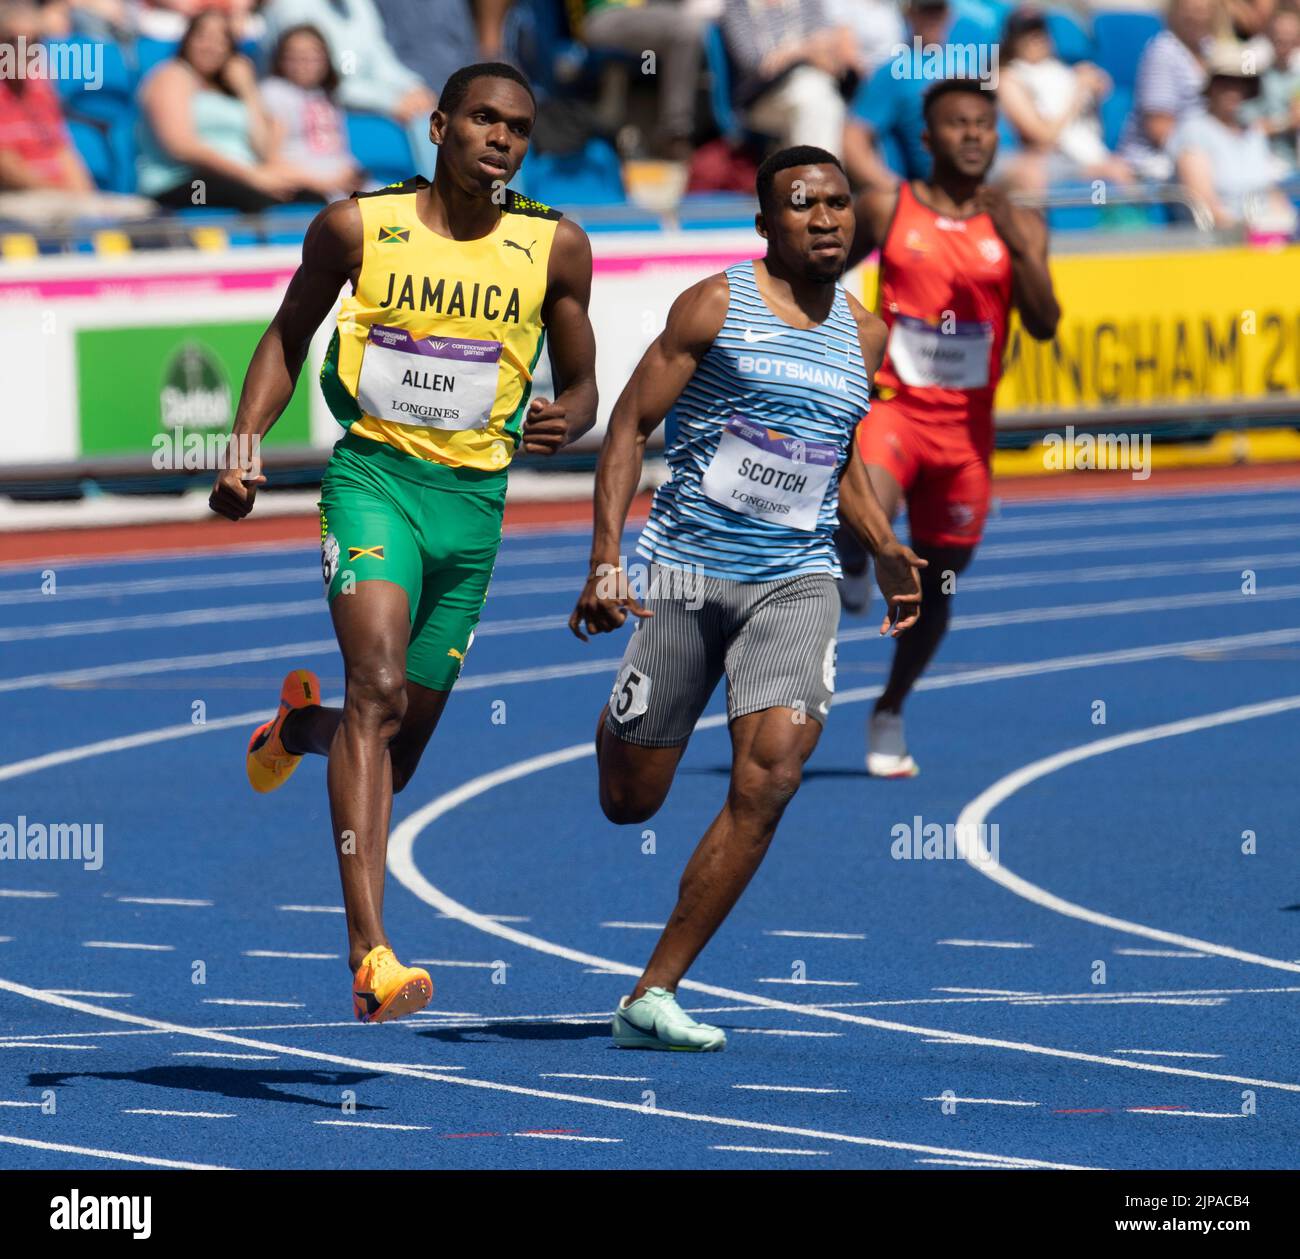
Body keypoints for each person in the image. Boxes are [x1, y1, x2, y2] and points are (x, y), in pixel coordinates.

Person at [208, 63, 598, 1024]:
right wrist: (243, 446)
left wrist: (570, 417)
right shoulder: (356, 227)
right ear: (438, 125)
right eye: (482, 119)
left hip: (474, 511)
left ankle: (295, 729)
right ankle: (370, 951)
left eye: (517, 126)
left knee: (393, 746)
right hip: (375, 482)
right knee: (376, 692)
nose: (500, 138)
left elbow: (586, 382)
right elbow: (288, 334)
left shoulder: (555, 246)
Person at [569, 145, 925, 1051]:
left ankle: (653, 992)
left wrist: (882, 544)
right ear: (765, 224)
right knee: (628, 798)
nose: (826, 218)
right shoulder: (714, 304)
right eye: (802, 205)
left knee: (770, 777)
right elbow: (630, 424)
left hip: (795, 581)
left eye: (839, 203)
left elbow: (828, 456)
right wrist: (608, 556)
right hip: (685, 573)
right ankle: (623, 725)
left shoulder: (867, 333)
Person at [836, 79, 1060, 777]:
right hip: (894, 410)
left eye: (985, 125)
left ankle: (890, 707)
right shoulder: (886, 208)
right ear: (927, 140)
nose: (972, 136)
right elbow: (813, 274)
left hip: (965, 432)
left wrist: (1022, 248)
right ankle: (851, 556)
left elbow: (1047, 324)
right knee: (861, 511)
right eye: (957, 125)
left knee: (939, 584)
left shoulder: (1021, 223)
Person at [136, 10, 321, 211]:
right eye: (202, 36)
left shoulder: (231, 89)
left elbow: (263, 150)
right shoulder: (172, 75)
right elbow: (182, 147)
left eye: (221, 39)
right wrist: (251, 177)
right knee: (256, 201)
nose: (211, 46)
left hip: (240, 180)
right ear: (188, 39)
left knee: (311, 199)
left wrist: (247, 90)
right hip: (188, 185)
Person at [262, 0, 439, 174]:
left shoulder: (360, 4)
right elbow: (310, 78)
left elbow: (380, 59)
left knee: (427, 115)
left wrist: (413, 87)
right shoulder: (290, 7)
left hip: (367, 101)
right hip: (322, 113)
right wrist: (391, 102)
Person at [997, 5, 1133, 193]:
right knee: (1113, 173)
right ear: (1012, 41)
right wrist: (1077, 92)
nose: (1035, 40)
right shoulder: (1009, 78)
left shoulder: (1063, 72)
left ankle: (1129, 221)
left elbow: (1089, 128)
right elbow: (1043, 138)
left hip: (1082, 154)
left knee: (1123, 170)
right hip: (1049, 158)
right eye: (1027, 34)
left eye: (1040, 32)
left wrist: (1095, 93)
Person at [1170, 44, 1297, 228]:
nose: (1234, 91)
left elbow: (1272, 195)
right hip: (1217, 244)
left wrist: (1286, 225)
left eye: (1241, 83)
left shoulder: (1254, 133)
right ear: (1211, 86)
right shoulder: (1193, 131)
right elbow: (1205, 208)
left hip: (1264, 239)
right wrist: (1251, 232)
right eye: (1225, 82)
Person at [570, 0, 705, 160]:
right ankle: (675, 134)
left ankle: (656, 136)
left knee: (698, 25)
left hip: (647, 15)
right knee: (686, 30)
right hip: (603, 16)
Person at [722, 0, 859, 156]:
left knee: (821, 98)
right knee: (815, 102)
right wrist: (808, 50)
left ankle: (814, 176)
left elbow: (830, 57)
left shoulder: (809, 3)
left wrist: (791, 53)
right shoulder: (737, 5)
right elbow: (755, 63)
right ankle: (817, 177)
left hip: (816, 85)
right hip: (762, 97)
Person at [260, 23, 363, 203]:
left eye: (312, 56)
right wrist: (323, 182)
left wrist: (352, 175)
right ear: (281, 60)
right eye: (295, 56)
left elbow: (341, 151)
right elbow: (271, 161)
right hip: (313, 190)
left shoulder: (328, 95)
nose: (304, 63)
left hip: (345, 186)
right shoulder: (275, 93)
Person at [1118, 0, 1219, 180]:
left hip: (1203, 150)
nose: (1200, 17)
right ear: (1175, 13)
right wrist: (1209, 148)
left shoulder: (1211, 49)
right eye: (1192, 10)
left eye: (1206, 10)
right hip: (1157, 160)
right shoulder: (1163, 52)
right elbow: (1159, 129)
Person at [1242, 2, 1300, 166]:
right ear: (1269, 34)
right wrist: (1286, 123)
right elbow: (1248, 123)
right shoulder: (1253, 68)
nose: (1285, 39)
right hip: (1263, 159)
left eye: (1291, 35)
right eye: (1280, 35)